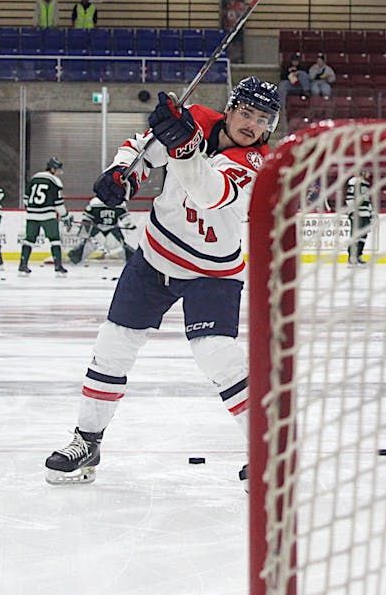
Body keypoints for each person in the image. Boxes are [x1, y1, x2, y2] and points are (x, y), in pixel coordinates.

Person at [42, 76, 281, 485]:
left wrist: (184, 148)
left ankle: (266, 451)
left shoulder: (257, 165)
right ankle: (87, 441)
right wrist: (124, 174)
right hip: (155, 255)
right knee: (113, 345)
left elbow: (207, 190)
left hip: (213, 270)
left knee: (216, 354)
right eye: (246, 112)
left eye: (262, 119)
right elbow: (144, 148)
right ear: (231, 107)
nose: (252, 125)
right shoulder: (197, 119)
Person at [19, 157, 69, 275]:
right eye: (58, 169)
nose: (59, 172)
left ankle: (22, 265)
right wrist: (65, 216)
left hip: (32, 215)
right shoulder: (55, 181)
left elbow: (26, 199)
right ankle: (58, 267)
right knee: (55, 240)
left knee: (29, 240)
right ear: (52, 169)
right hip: (47, 215)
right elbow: (58, 203)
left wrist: (32, 209)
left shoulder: (34, 178)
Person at [69, 196, 135, 265]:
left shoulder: (94, 202)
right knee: (119, 247)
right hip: (103, 231)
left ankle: (75, 257)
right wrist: (130, 226)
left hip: (105, 231)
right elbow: (125, 219)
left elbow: (87, 220)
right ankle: (133, 260)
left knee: (115, 247)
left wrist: (84, 234)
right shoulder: (119, 202)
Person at [345, 169, 374, 266]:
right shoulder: (354, 182)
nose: (369, 173)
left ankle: (358, 255)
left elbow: (367, 199)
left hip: (365, 213)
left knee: (363, 236)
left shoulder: (366, 184)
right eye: (368, 171)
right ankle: (352, 257)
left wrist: (371, 213)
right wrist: (352, 211)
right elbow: (350, 198)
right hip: (357, 212)